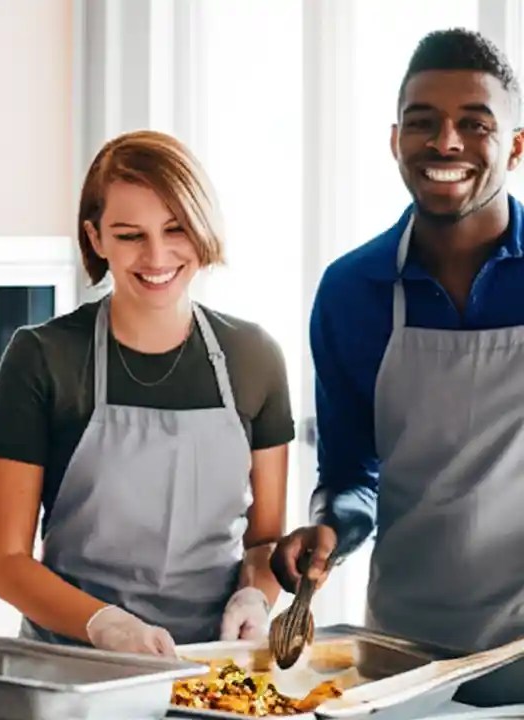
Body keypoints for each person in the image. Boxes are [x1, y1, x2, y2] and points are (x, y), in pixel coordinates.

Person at [273, 29, 524, 706]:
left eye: (474, 124)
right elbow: (354, 475)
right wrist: (328, 532)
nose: (445, 143)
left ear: (516, 146)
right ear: (395, 141)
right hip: (405, 657)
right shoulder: (352, 291)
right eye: (423, 123)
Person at [0, 130, 293, 655]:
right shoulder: (42, 358)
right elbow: (5, 562)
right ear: (96, 238)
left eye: (177, 229)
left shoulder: (255, 357)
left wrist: (256, 598)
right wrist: (105, 624)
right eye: (129, 235)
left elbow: (264, 544)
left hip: (209, 671)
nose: (157, 255)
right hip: (74, 667)